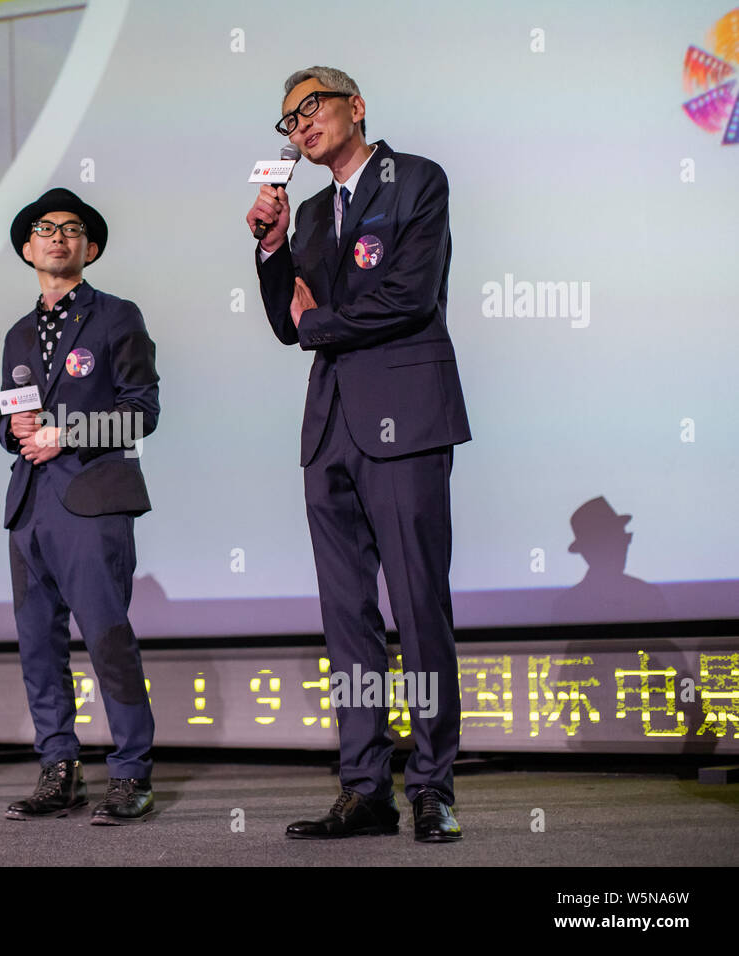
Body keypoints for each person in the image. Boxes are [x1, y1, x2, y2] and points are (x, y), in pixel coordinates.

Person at [246, 67, 472, 842]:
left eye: (313, 107)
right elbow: (287, 322)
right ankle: (364, 785)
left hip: (406, 420)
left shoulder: (416, 181)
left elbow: (409, 295)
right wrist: (274, 250)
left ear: (357, 106)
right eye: (289, 120)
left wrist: (320, 322)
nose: (301, 125)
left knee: (417, 607)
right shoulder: (306, 214)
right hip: (330, 428)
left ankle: (433, 785)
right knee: (347, 620)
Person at [0, 188, 160, 825]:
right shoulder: (15, 334)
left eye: (72, 229)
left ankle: (130, 772)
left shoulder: (118, 316)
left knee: (106, 638)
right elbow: (5, 423)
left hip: (92, 499)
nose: (58, 237)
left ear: (89, 248)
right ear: (27, 247)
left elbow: (140, 413)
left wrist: (64, 432)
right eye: (45, 228)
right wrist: (17, 432)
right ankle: (59, 770)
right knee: (39, 646)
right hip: (29, 504)